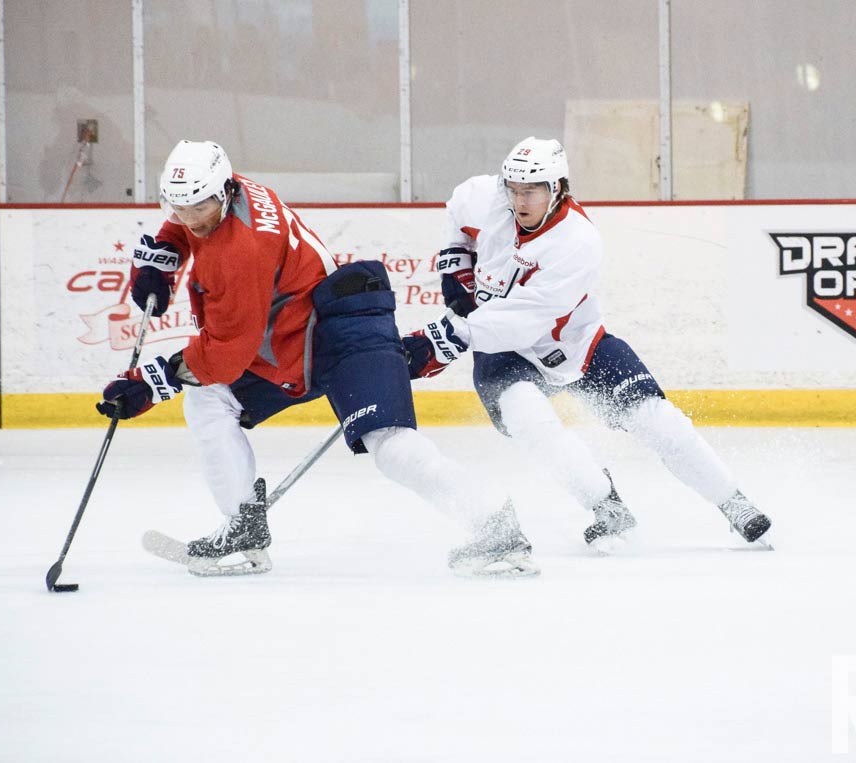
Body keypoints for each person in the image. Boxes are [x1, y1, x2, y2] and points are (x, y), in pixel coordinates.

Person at [96, 139, 538, 577]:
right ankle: (243, 526)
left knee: (392, 448)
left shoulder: (241, 252)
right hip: (293, 337)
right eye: (180, 207)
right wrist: (165, 254)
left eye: (201, 208)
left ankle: (499, 528)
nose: (192, 219)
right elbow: (184, 221)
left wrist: (151, 382)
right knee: (209, 401)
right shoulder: (232, 193)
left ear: (225, 190)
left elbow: (225, 356)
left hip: (346, 334)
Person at [402, 136, 772, 551]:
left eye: (532, 191)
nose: (519, 201)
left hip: (575, 342)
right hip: (502, 352)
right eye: (514, 189)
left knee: (655, 419)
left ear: (557, 189)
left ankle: (732, 500)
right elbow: (458, 208)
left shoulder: (577, 242)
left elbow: (526, 320)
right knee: (531, 424)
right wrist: (456, 261)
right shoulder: (485, 199)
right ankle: (606, 506)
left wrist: (449, 337)